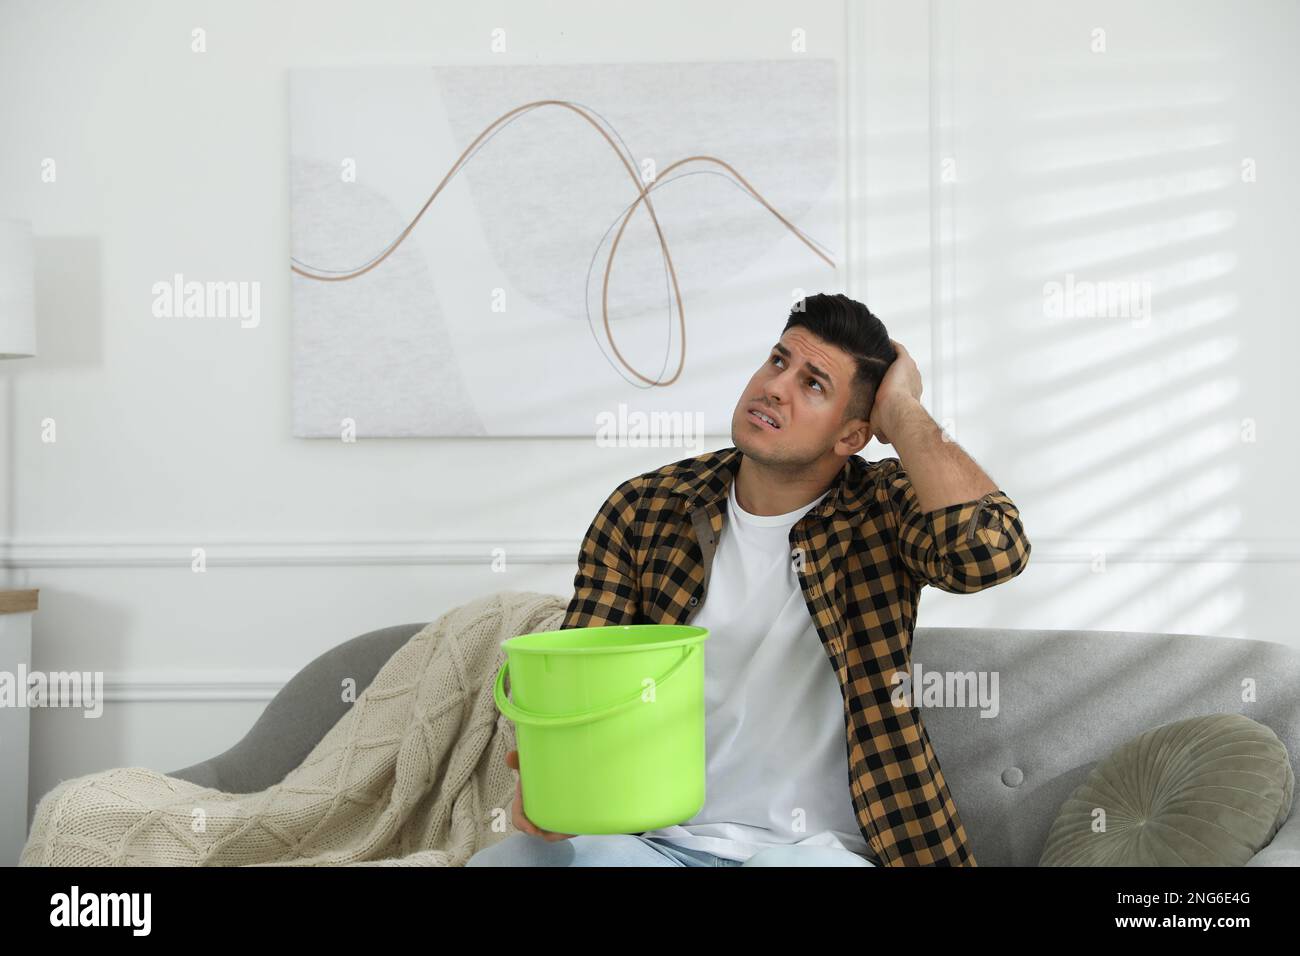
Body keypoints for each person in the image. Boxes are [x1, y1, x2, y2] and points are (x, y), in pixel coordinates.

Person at [468, 293, 1031, 867]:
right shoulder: (645, 508)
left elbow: (993, 552)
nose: (775, 387)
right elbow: (576, 673)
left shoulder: (883, 507)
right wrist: (552, 779)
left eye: (813, 384)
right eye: (778, 361)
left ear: (851, 436)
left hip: (814, 852)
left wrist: (902, 409)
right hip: (651, 840)